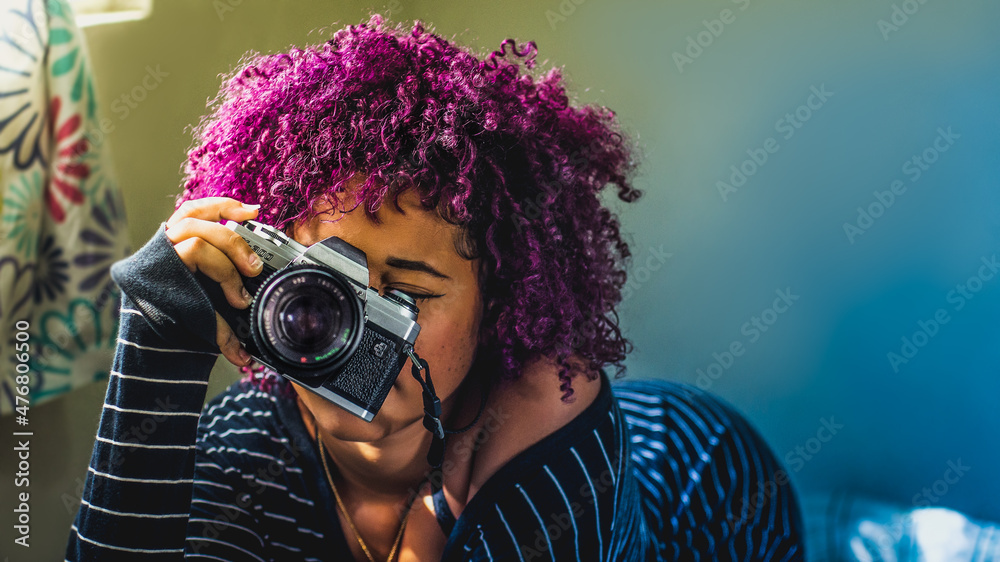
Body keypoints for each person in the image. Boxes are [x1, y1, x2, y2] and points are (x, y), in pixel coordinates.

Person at [65, 15, 804, 561]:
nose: (349, 330)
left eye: (407, 296)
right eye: (323, 287)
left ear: (498, 307)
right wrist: (157, 337)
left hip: (699, 482)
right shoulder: (241, 449)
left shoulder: (554, 412)